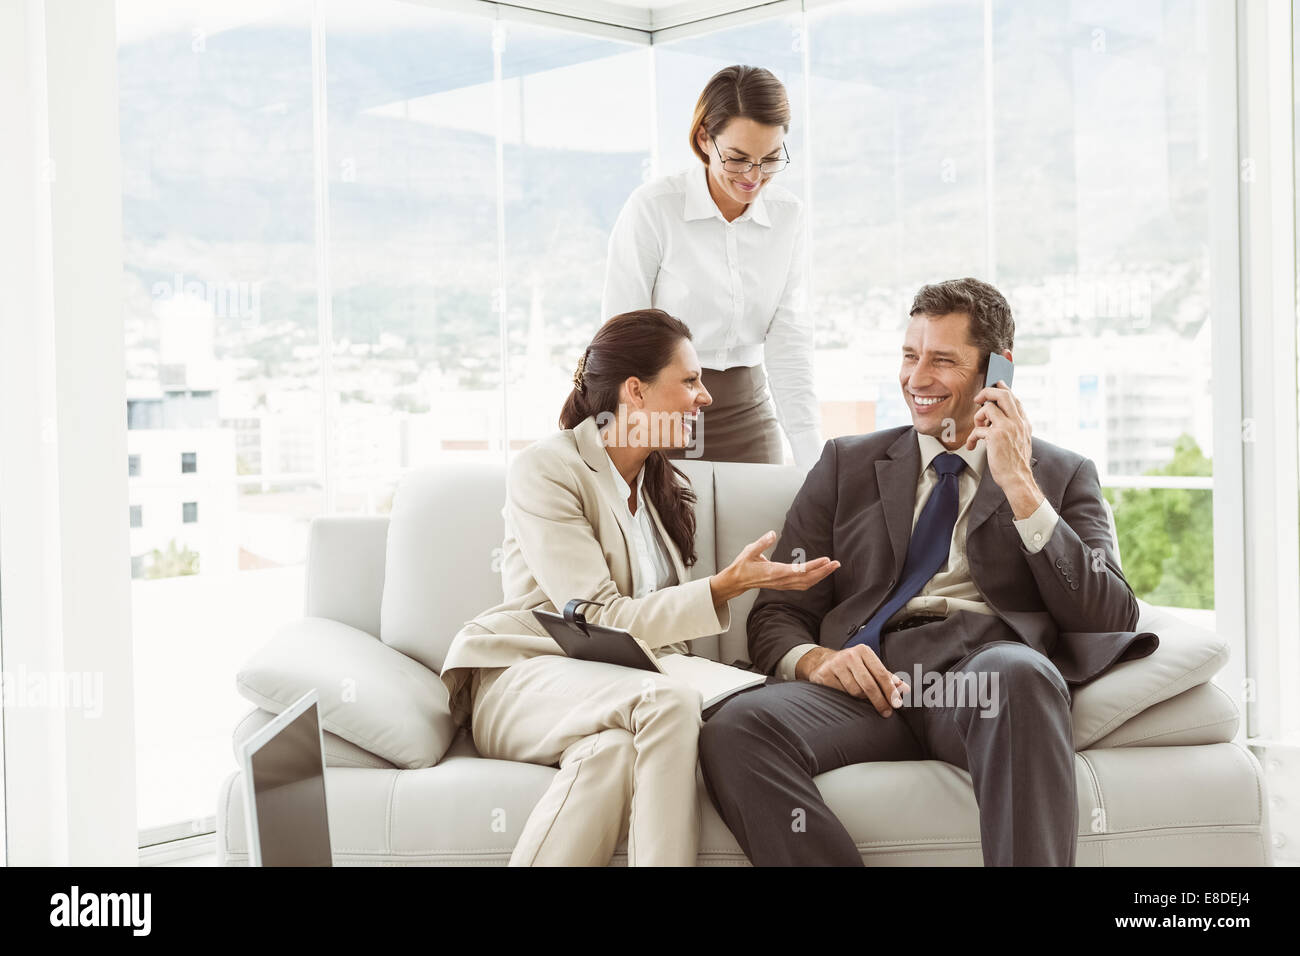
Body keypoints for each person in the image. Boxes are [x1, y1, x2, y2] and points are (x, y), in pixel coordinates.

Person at [697, 277, 1160, 866]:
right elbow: (780, 613)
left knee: (1018, 672)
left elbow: (1109, 615)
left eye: (942, 360)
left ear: (998, 371)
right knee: (735, 729)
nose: (917, 379)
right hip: (866, 686)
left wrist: (1019, 483)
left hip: (979, 683)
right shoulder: (847, 464)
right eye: (910, 356)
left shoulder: (1061, 474)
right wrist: (818, 661)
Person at [438, 309, 840, 866]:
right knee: (668, 703)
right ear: (636, 391)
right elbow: (597, 617)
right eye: (690, 380)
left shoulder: (657, 486)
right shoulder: (548, 469)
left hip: (606, 698)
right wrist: (721, 590)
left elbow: (655, 638)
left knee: (609, 757)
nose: (706, 397)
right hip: (523, 679)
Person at [601, 65, 821, 471]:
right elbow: (621, 338)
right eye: (737, 159)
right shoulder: (654, 208)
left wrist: (816, 462)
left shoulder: (789, 216)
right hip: (659, 412)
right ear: (704, 138)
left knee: (765, 527)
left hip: (747, 411)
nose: (754, 177)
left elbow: (789, 340)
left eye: (770, 159)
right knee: (665, 533)